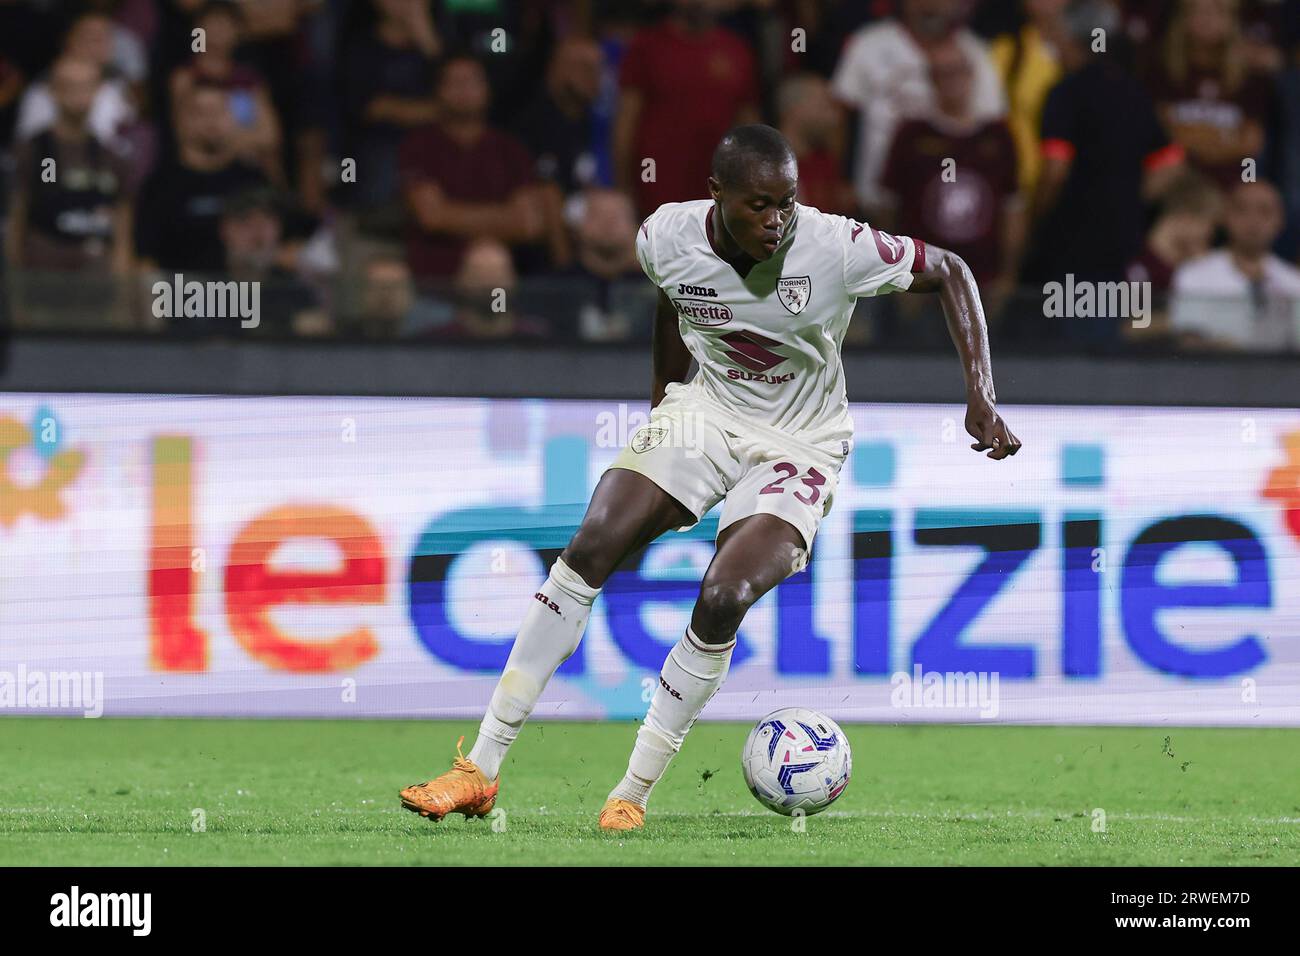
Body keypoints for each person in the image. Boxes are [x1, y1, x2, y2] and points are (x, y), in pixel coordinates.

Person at [398, 125, 1020, 831]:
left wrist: (980, 394)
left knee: (723, 594)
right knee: (594, 541)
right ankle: (479, 768)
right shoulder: (663, 234)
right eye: (759, 205)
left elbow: (952, 270)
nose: (776, 220)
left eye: (786, 202)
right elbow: (674, 296)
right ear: (716, 196)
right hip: (708, 410)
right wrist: (665, 399)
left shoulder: (835, 245)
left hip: (802, 444)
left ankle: (630, 792)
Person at [1170, 179, 1300, 350]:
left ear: (1280, 220)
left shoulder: (1294, 282)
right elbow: (1189, 342)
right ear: (1225, 216)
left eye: (1265, 212)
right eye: (1242, 210)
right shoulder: (1194, 274)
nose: (1253, 221)